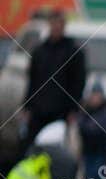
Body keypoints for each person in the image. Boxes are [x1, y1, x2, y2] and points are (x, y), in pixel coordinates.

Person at [22, 9, 87, 149]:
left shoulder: (74, 52)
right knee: (32, 147)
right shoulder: (39, 51)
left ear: (64, 26)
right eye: (53, 23)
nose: (56, 27)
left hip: (61, 112)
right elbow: (32, 80)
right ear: (49, 24)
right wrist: (27, 106)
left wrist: (73, 109)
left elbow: (78, 83)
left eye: (60, 23)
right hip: (38, 110)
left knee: (55, 148)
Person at [77, 76, 106, 179]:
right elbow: (81, 123)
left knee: (98, 172)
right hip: (88, 149)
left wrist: (87, 126)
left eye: (98, 95)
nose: (95, 98)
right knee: (89, 171)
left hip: (102, 150)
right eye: (93, 95)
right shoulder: (86, 109)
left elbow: (96, 126)